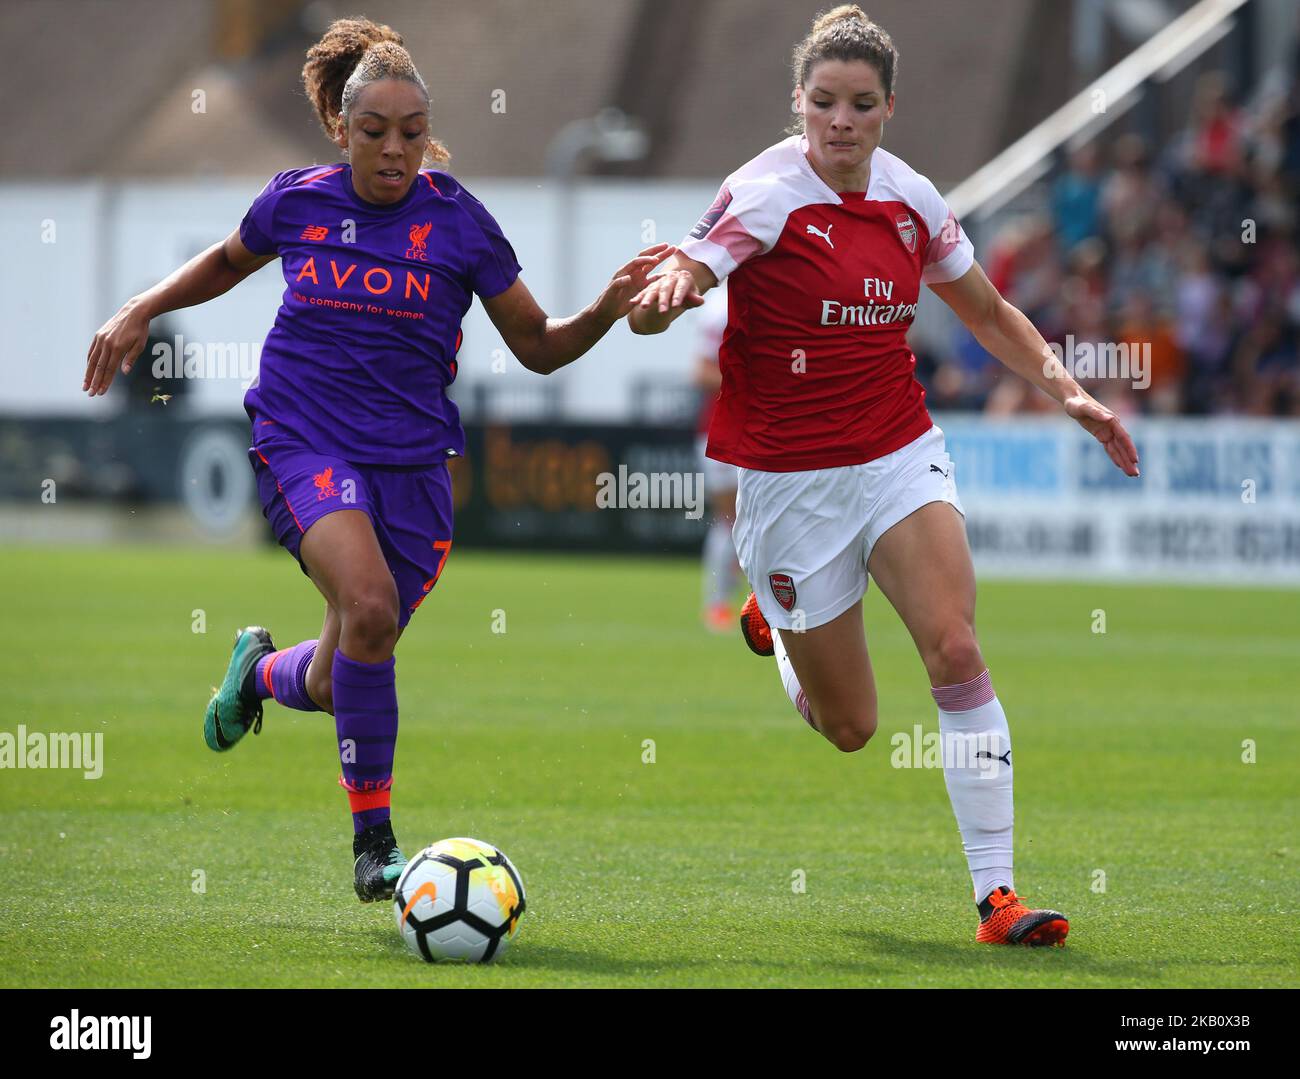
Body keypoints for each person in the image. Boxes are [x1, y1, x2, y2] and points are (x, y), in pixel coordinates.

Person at [82, 17, 672, 903]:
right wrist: (141, 307)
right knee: (366, 604)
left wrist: (604, 308)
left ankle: (259, 671)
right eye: (374, 133)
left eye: (410, 132)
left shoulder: (460, 223)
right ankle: (375, 846)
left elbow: (540, 345)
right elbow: (224, 262)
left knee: (346, 661)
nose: (394, 150)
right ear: (341, 131)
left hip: (413, 465)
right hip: (302, 434)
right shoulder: (300, 201)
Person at [628, 5, 1139, 945]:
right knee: (852, 726)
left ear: (888, 109)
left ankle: (997, 897)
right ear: (799, 103)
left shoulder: (911, 198)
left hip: (899, 450)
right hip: (787, 481)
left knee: (954, 648)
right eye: (823, 102)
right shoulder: (762, 192)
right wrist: (669, 294)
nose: (841, 121)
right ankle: (776, 630)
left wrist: (1070, 390)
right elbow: (692, 269)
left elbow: (986, 312)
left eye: (861, 105)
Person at [691, 285, 741, 630]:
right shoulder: (720, 307)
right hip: (721, 431)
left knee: (755, 520)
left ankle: (752, 604)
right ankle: (717, 604)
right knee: (732, 519)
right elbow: (701, 372)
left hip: (762, 432)